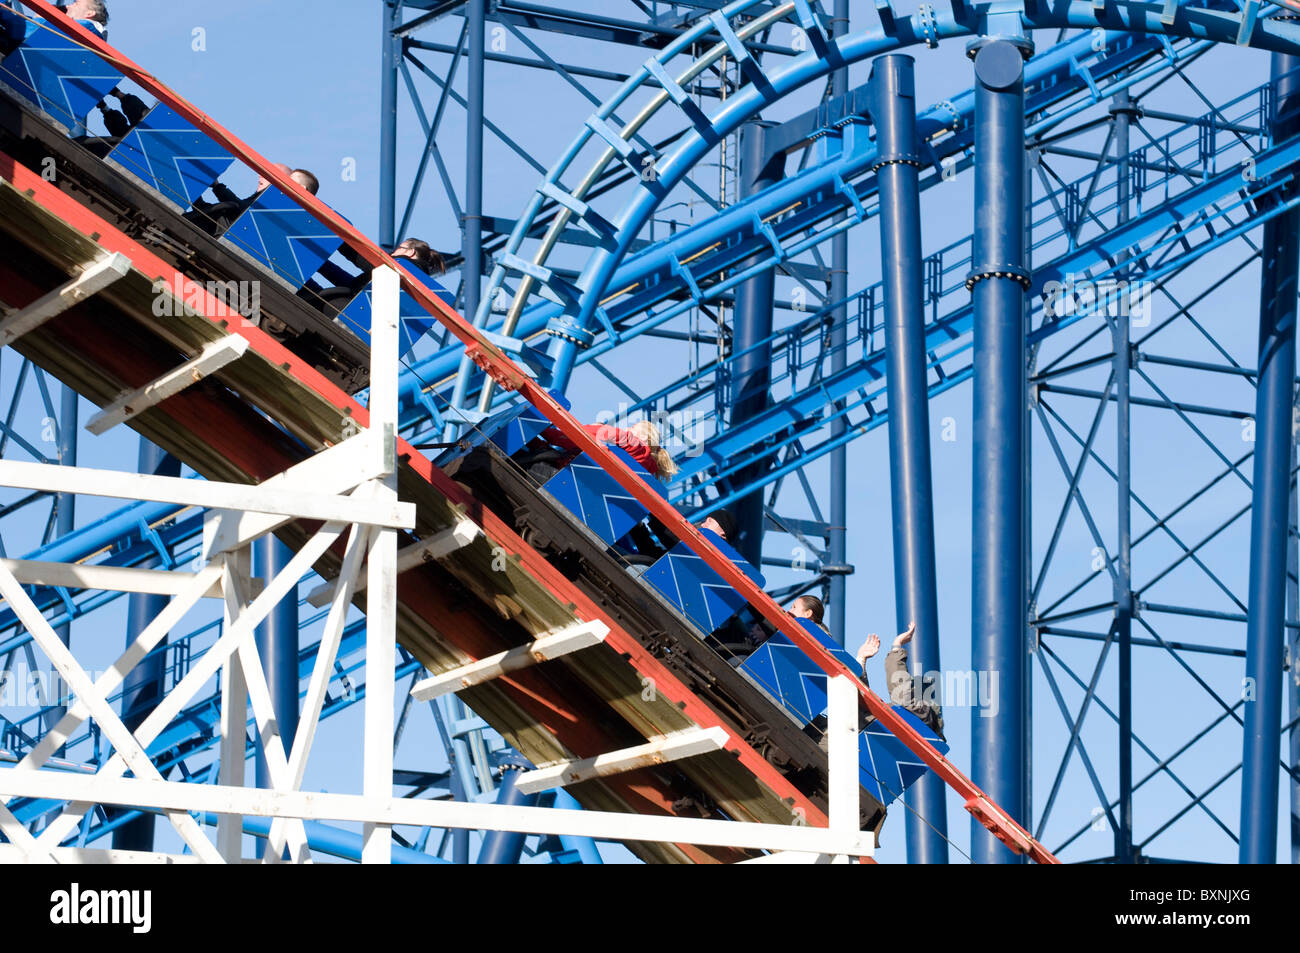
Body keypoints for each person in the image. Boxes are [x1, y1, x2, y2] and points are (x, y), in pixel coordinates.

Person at [856, 621, 944, 739]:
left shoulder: (923, 717)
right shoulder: (892, 721)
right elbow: (860, 702)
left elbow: (903, 696)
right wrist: (861, 659)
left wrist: (897, 646)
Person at [186, 163, 318, 236]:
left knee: (229, 206)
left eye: (270, 175)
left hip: (221, 238)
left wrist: (217, 186)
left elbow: (241, 210)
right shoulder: (263, 200)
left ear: (301, 188)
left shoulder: (285, 209)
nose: (261, 176)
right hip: (211, 229)